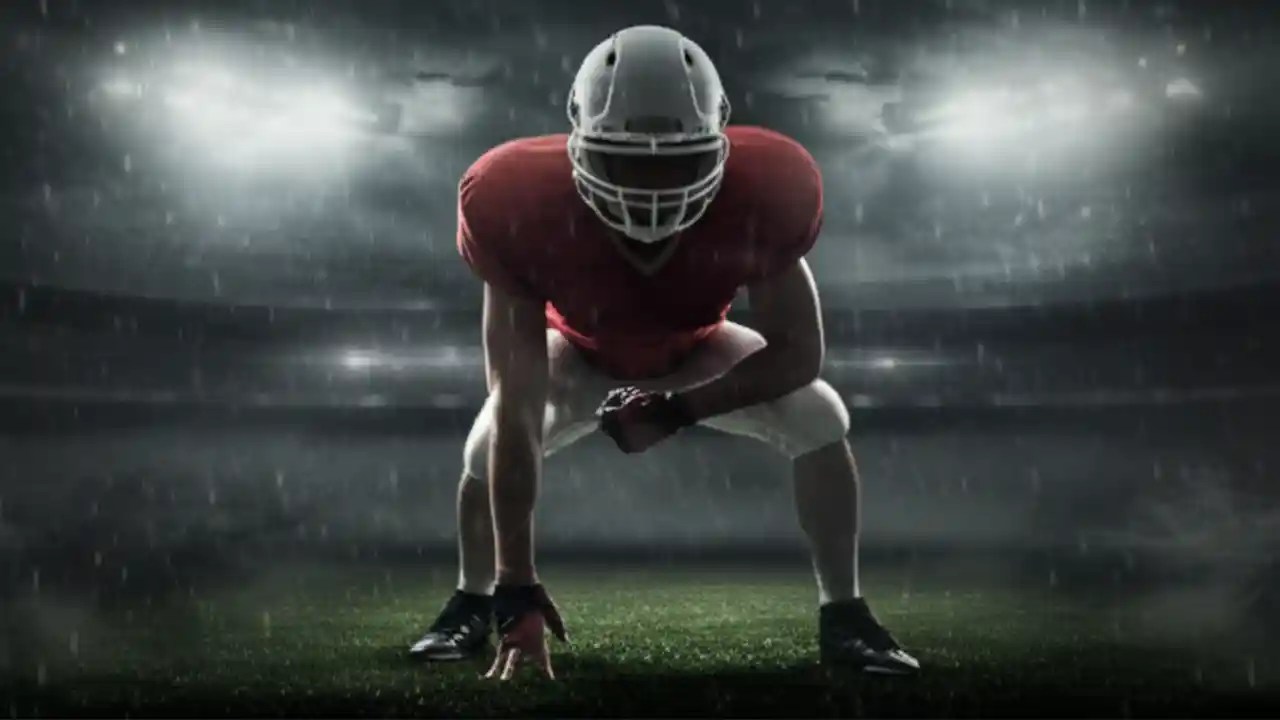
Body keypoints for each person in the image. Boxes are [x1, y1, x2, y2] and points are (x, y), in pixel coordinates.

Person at [409, 24, 920, 680]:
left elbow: (799, 351)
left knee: (821, 415)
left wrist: (680, 409)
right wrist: (519, 584)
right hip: (580, 352)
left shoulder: (765, 190)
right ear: (575, 142)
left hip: (697, 347)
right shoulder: (513, 201)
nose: (651, 185)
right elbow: (517, 396)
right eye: (626, 160)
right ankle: (477, 604)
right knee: (487, 445)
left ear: (721, 141)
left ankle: (846, 618)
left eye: (675, 160)